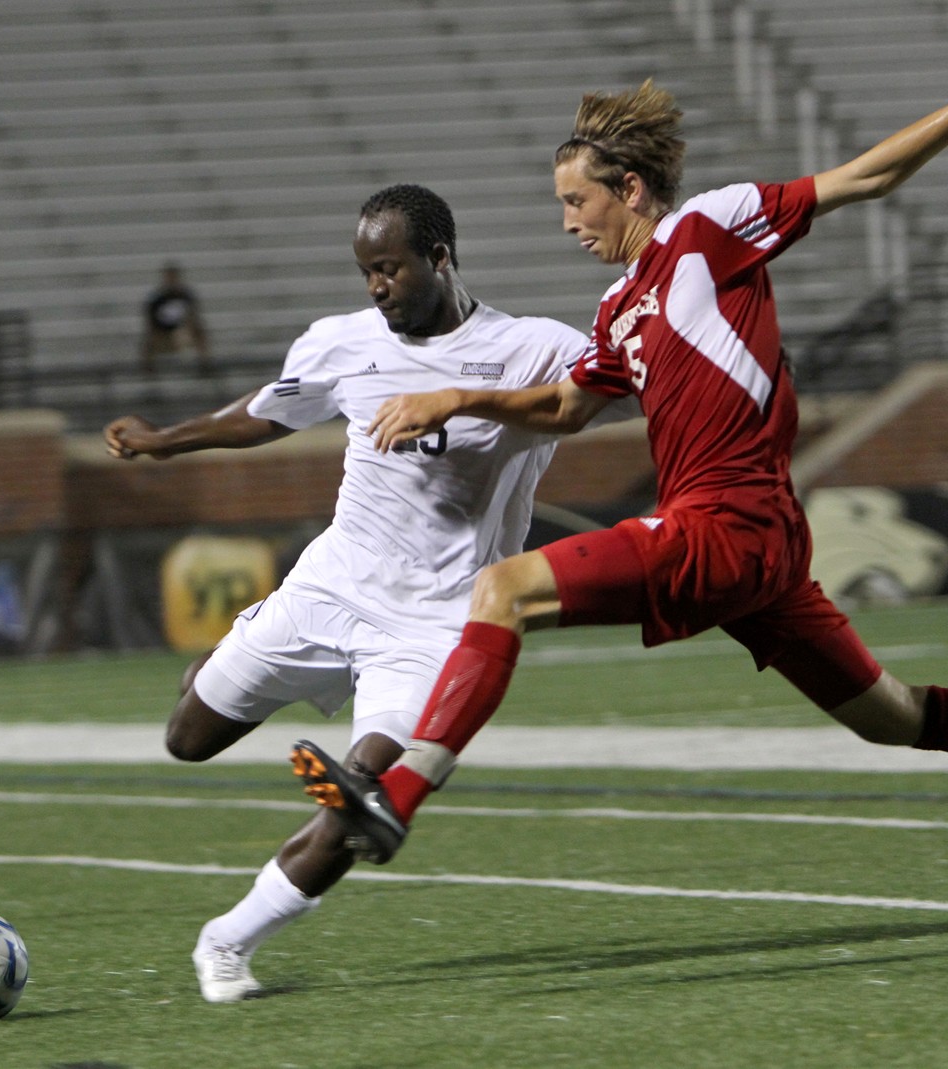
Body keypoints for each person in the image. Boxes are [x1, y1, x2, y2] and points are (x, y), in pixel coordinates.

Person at [291, 40, 948, 885]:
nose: (566, 222)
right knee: (894, 715)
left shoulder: (709, 227)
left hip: (727, 519)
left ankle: (395, 797)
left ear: (629, 189)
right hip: (753, 544)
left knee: (504, 591)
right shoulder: (615, 311)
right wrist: (460, 398)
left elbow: (864, 177)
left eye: (577, 201)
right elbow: (565, 407)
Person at [104, 184, 631, 1002]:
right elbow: (271, 412)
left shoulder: (532, 349)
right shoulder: (341, 342)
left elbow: (623, 386)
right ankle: (285, 670)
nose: (376, 286)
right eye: (366, 272)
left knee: (366, 805)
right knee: (188, 734)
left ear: (441, 258)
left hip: (435, 624)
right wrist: (167, 441)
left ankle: (227, 942)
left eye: (389, 268)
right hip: (332, 585)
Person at [139, 262, 212, 374]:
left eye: (173, 278)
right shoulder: (157, 299)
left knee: (199, 333)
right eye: (169, 278)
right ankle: (148, 369)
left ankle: (204, 365)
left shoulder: (185, 297)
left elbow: (193, 318)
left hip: (181, 334)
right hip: (163, 335)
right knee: (148, 341)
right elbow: (151, 323)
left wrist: (186, 330)